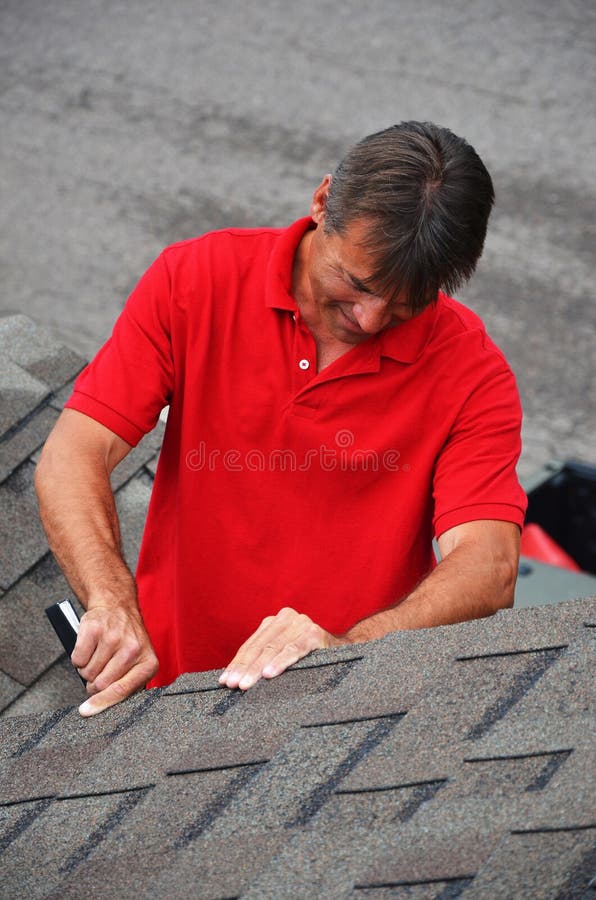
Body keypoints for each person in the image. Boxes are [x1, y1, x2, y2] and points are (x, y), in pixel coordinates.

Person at [35, 121, 527, 718]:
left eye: (404, 304)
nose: (370, 320)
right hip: (165, 693)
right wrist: (109, 601)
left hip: (339, 706)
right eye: (355, 282)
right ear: (322, 203)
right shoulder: (194, 280)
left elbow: (491, 563)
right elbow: (73, 454)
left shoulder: (472, 371)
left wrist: (347, 651)